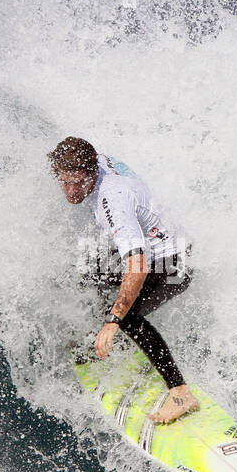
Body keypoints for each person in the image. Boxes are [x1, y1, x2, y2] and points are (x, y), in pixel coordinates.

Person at [49, 136, 200, 425]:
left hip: (173, 264)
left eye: (78, 183)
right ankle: (103, 338)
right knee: (86, 273)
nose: (71, 191)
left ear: (92, 173)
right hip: (155, 245)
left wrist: (113, 319)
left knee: (125, 316)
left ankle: (181, 395)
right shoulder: (92, 159)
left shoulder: (112, 201)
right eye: (65, 181)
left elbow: (138, 266)